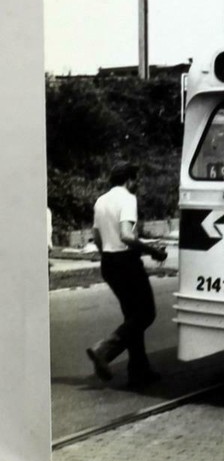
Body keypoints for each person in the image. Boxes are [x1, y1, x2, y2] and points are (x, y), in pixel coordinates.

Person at [86, 163, 167, 388]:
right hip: (126, 262)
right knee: (146, 314)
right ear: (129, 179)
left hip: (109, 263)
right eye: (136, 179)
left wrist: (107, 254)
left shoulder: (101, 200)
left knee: (132, 318)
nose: (137, 183)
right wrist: (153, 251)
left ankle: (139, 371)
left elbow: (97, 236)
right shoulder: (128, 199)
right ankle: (104, 350)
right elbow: (127, 236)